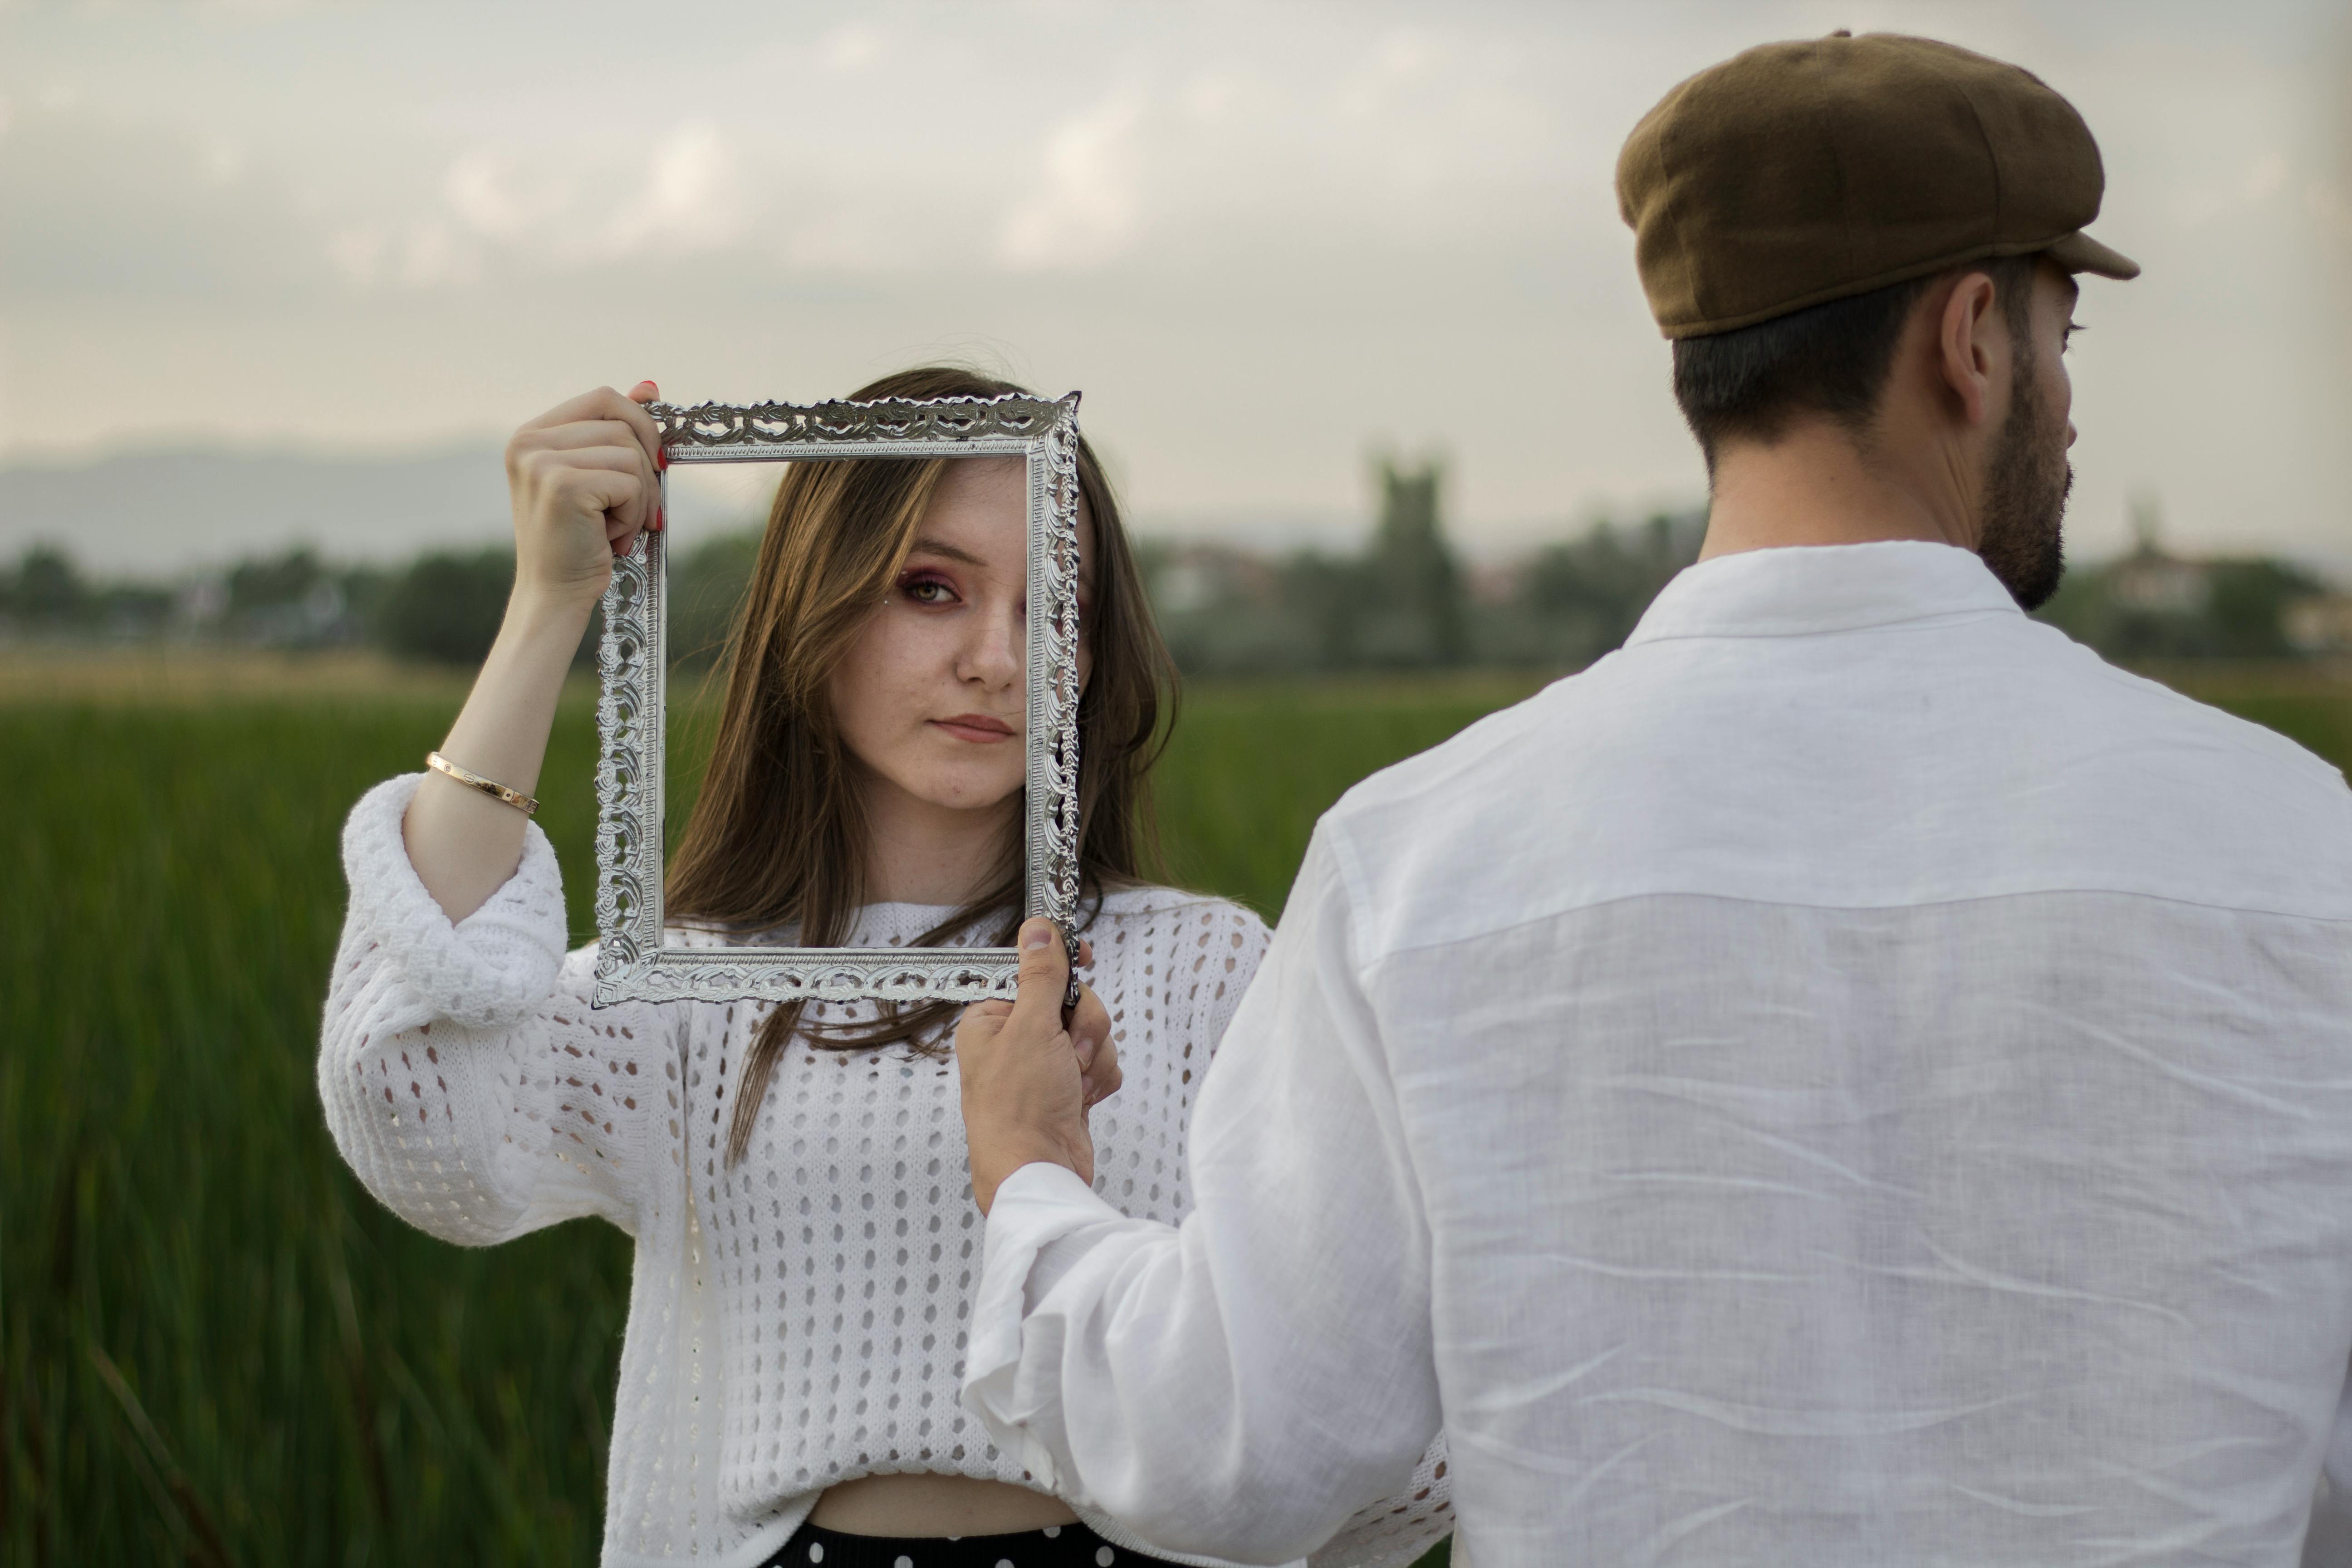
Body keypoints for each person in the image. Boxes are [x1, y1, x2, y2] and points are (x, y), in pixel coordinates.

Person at [953, 34, 2352, 1568]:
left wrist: (1033, 1179)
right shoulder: (2298, 848)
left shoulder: (1423, 865)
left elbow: (1221, 1455)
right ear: (1970, 339)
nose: (2068, 407)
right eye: (2060, 335)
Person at [316, 365, 1452, 1568]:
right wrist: (549, 604)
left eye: (1049, 607)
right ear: (820, 603)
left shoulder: (1206, 971)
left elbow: (1378, 1395)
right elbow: (420, 1121)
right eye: (930, 589)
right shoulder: (692, 992)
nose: (994, 659)